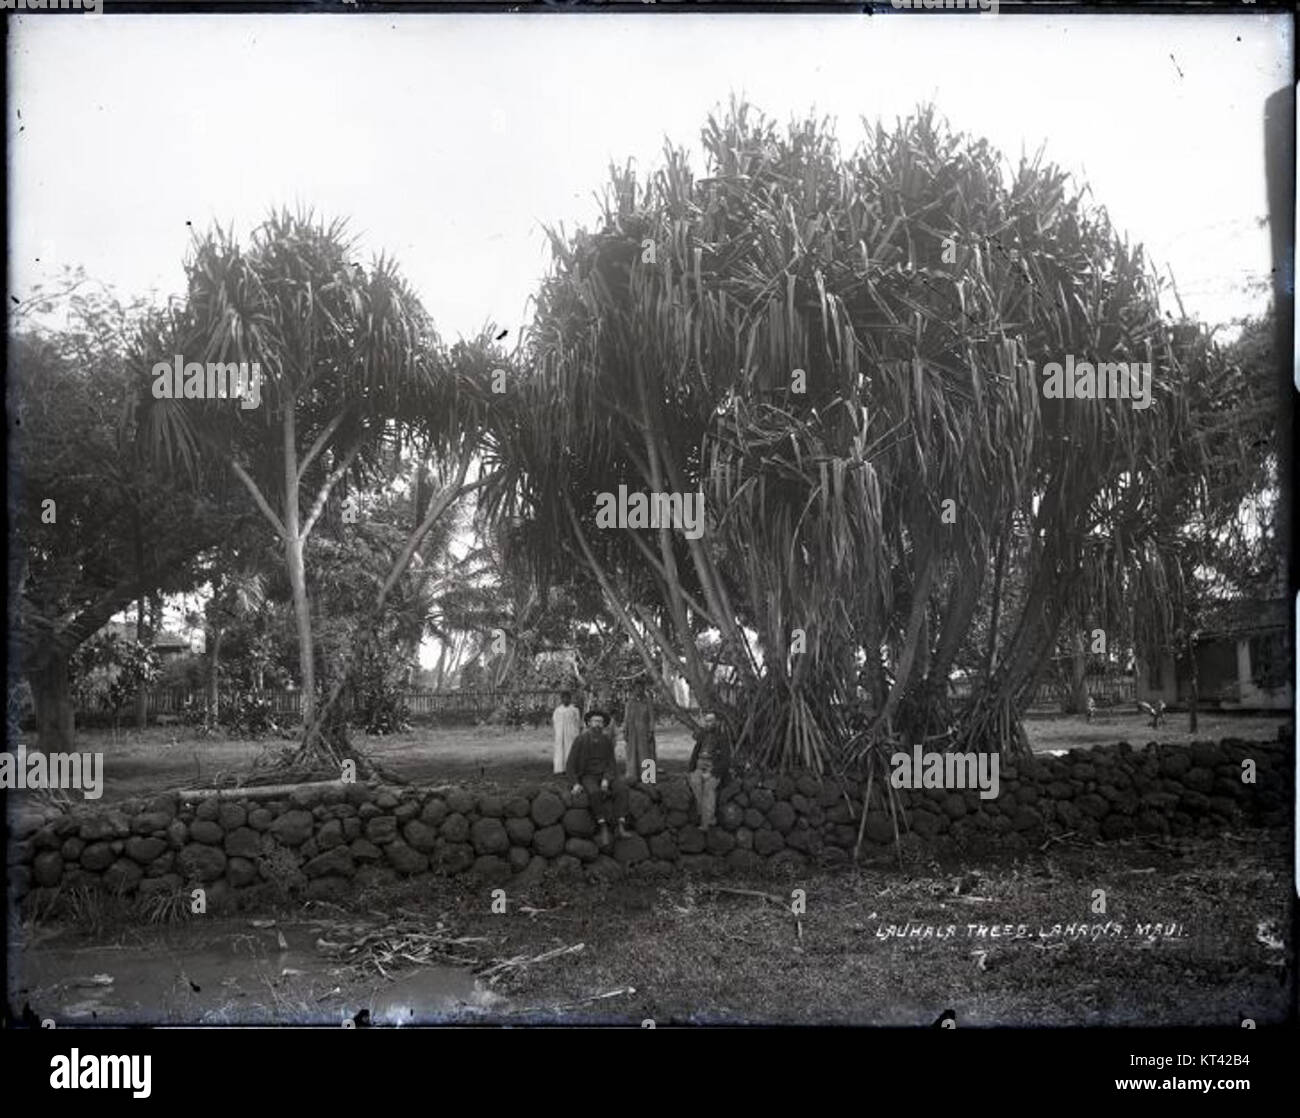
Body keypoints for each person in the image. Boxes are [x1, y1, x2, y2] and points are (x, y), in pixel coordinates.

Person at [565, 708, 631, 847]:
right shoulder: (580, 740)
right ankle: (603, 828)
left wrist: (607, 779)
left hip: (604, 774)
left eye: (600, 722)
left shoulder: (606, 740)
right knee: (594, 793)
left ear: (604, 725)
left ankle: (620, 825)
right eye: (595, 721)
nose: (597, 724)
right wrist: (575, 783)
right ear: (589, 723)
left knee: (622, 789)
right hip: (588, 775)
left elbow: (611, 764)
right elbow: (570, 765)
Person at [687, 710, 732, 830]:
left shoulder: (722, 737)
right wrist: (691, 769)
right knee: (695, 782)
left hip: (713, 766)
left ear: (716, 722)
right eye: (706, 721)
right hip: (699, 765)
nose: (708, 723)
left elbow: (725, 760)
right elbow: (695, 753)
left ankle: (705, 823)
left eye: (711, 720)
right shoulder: (703, 735)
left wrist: (712, 773)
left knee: (708, 788)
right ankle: (707, 816)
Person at [622, 683, 656, 783]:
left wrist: (651, 730)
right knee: (632, 753)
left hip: (644, 731)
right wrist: (625, 730)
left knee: (645, 753)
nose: (639, 690)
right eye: (636, 688)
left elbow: (652, 718)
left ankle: (647, 777)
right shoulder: (630, 702)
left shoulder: (647, 702)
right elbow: (626, 717)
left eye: (641, 688)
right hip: (632, 731)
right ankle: (632, 776)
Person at [552, 690, 582, 776]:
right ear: (561, 699)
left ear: (570, 699)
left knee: (570, 748)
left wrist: (576, 732)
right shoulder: (558, 710)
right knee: (560, 749)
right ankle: (560, 768)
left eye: (567, 698)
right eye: (563, 698)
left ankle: (570, 768)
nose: (565, 700)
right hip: (560, 733)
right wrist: (558, 731)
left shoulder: (574, 709)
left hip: (571, 732)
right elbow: (555, 721)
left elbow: (578, 722)